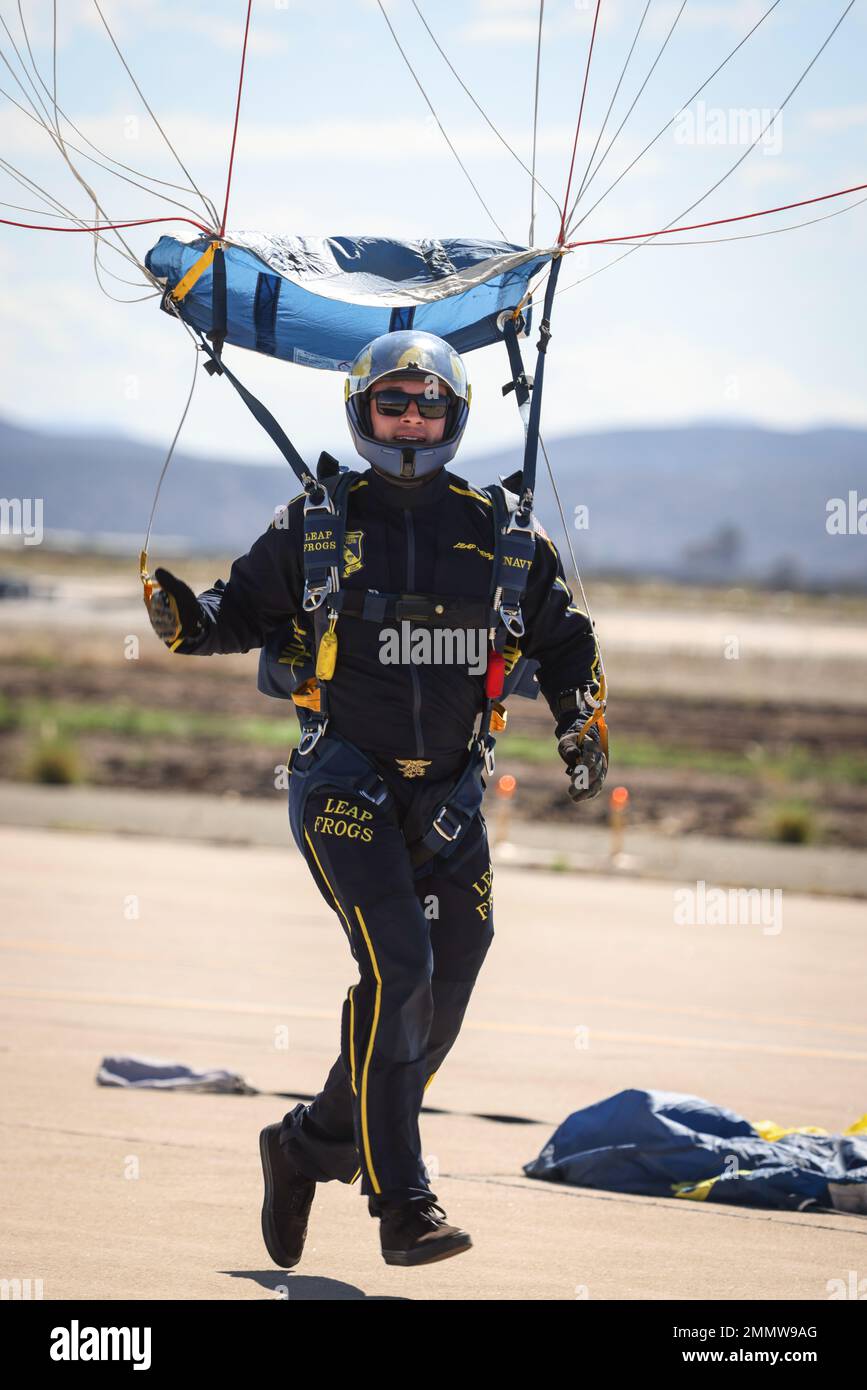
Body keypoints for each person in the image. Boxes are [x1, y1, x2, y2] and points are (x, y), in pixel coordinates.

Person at [145, 329, 607, 1268]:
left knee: (442, 988)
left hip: (449, 800)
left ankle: (308, 1144)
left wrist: (576, 722)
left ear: (454, 415)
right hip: (342, 785)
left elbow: (565, 641)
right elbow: (239, 616)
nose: (409, 419)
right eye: (393, 402)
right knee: (401, 971)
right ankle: (405, 1206)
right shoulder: (314, 524)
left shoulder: (506, 536)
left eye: (426, 403)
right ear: (362, 412)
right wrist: (190, 624)